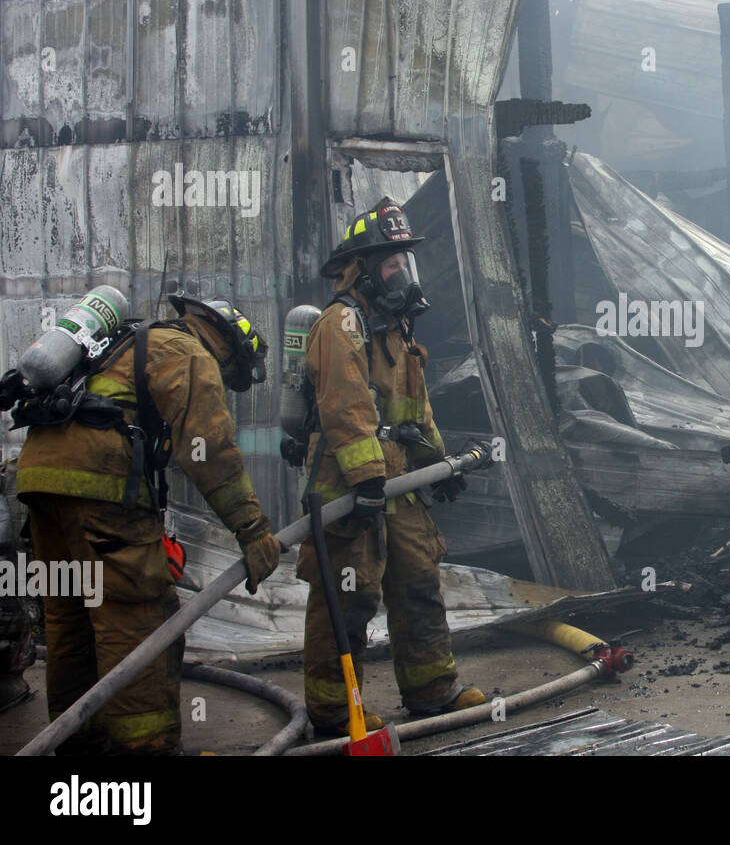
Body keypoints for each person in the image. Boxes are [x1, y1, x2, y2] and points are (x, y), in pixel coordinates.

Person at [13, 294, 281, 755]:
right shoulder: (188, 353)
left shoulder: (124, 343)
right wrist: (252, 528)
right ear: (228, 347)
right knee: (138, 616)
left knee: (71, 617)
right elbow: (207, 449)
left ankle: (78, 743)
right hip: (99, 486)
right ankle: (146, 747)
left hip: (40, 481)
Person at [298, 196, 484, 736]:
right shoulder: (342, 325)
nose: (403, 271)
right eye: (391, 263)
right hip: (349, 485)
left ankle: (432, 690)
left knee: (419, 578)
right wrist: (366, 480)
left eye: (406, 262)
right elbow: (345, 407)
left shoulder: (397, 331)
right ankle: (335, 713)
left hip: (400, 478)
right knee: (349, 594)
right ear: (363, 270)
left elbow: (413, 413)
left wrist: (441, 464)